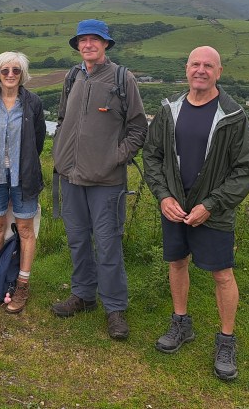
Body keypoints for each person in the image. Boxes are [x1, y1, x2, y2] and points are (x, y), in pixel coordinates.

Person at [143, 46, 249, 381]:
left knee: (222, 274)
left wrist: (211, 204)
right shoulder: (170, 110)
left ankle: (226, 340)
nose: (201, 70)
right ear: (186, 69)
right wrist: (163, 196)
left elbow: (245, 171)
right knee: (177, 263)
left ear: (219, 72)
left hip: (214, 211)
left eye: (209, 65)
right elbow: (153, 155)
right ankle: (181, 324)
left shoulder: (234, 116)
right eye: (196, 64)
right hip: (175, 206)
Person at [50, 19, 147, 340]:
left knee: (108, 246)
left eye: (95, 39)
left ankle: (115, 309)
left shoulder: (122, 78)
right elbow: (63, 119)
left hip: (107, 182)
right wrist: (60, 153)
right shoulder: (72, 76)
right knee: (78, 241)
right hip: (70, 177)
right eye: (83, 40)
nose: (88, 44)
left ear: (106, 44)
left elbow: (138, 129)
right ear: (78, 45)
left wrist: (114, 158)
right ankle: (83, 295)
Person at [0, 51, 45, 313]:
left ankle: (22, 284)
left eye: (16, 70)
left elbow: (38, 141)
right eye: (5, 71)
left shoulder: (33, 102)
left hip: (24, 175)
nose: (11, 75)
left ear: (22, 74)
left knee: (25, 229)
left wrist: (23, 164)